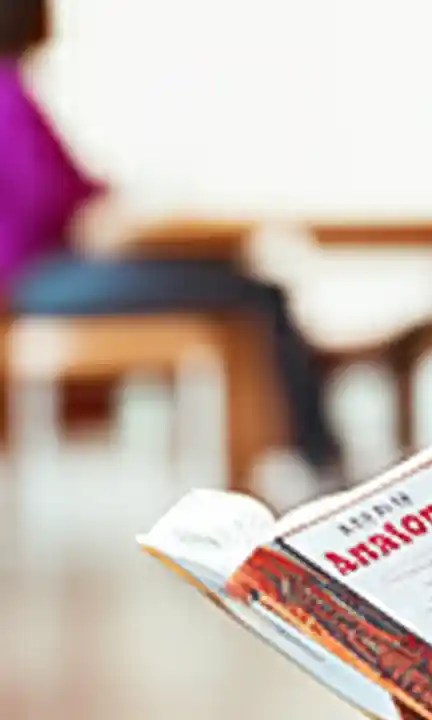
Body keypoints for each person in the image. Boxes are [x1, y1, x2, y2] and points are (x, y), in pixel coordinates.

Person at [0, 0, 345, 499]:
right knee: (250, 292)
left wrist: (103, 198)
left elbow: (68, 187)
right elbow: (47, 198)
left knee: (235, 281)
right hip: (34, 280)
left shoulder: (16, 92)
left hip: (45, 271)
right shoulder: (8, 93)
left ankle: (302, 455)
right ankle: (317, 457)